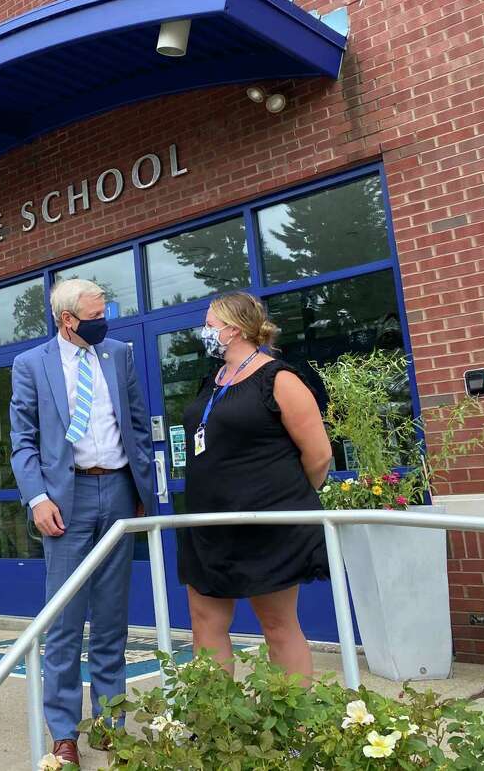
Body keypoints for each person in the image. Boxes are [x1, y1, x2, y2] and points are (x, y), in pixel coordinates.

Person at [10, 278, 156, 768]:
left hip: (117, 489)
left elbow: (137, 424)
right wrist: (36, 498)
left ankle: (111, 722)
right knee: (65, 619)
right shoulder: (31, 365)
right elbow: (23, 441)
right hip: (65, 498)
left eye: (104, 311)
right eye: (94, 314)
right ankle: (64, 732)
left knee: (113, 615)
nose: (104, 320)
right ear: (66, 319)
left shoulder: (118, 353)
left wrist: (142, 489)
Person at [178, 291, 333, 681]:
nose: (205, 331)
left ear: (232, 329)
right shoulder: (211, 381)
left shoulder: (278, 378)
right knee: (205, 621)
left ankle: (295, 730)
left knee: (278, 625)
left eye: (210, 323)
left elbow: (318, 456)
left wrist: (283, 498)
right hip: (209, 526)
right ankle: (213, 724)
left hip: (267, 525)